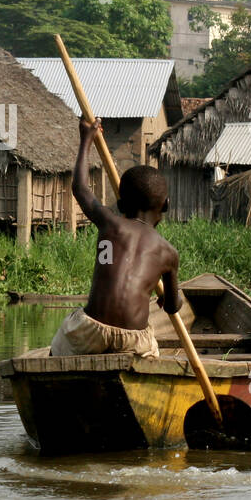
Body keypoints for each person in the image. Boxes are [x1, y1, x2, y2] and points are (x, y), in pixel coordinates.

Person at [50, 117, 182, 358]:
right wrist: (169, 298)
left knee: (57, 349)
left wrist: (86, 140)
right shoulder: (168, 253)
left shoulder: (110, 224)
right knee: (152, 352)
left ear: (120, 204)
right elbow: (173, 306)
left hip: (91, 330)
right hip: (134, 339)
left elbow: (80, 188)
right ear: (166, 206)